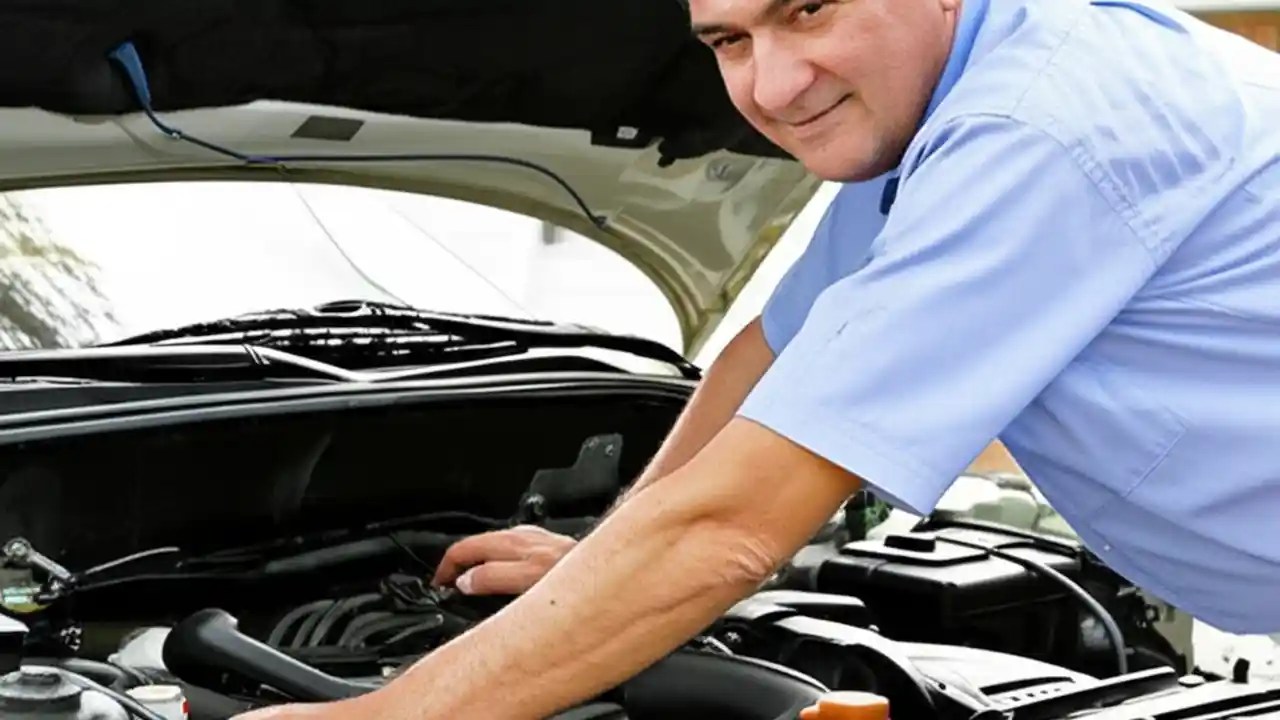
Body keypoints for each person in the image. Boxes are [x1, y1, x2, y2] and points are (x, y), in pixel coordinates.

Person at [236, 0, 1280, 715]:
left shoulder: (1039, 125)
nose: (771, 86)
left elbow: (733, 527)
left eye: (807, 8)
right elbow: (772, 349)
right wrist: (601, 556)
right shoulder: (961, 102)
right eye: (726, 38)